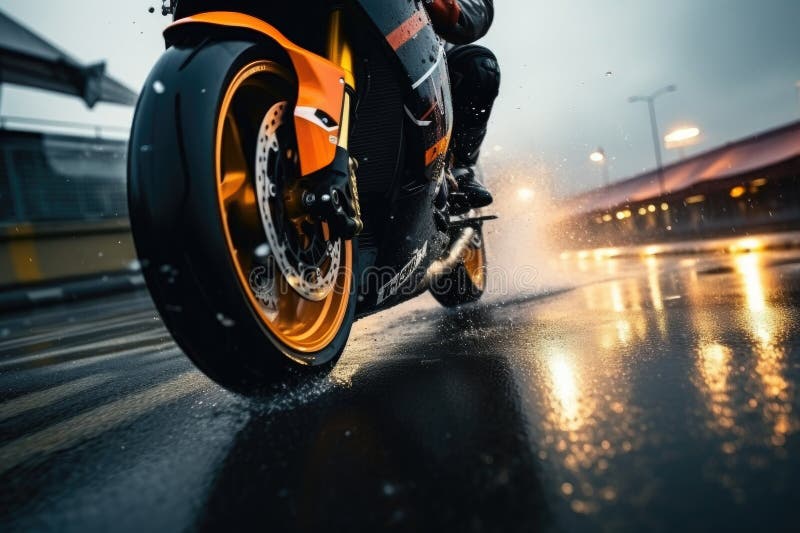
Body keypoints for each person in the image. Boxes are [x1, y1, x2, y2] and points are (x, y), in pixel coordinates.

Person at [425, 0, 500, 208]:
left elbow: (477, 9)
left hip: (424, 58)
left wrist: (449, 9)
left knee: (481, 67)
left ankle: (459, 168)